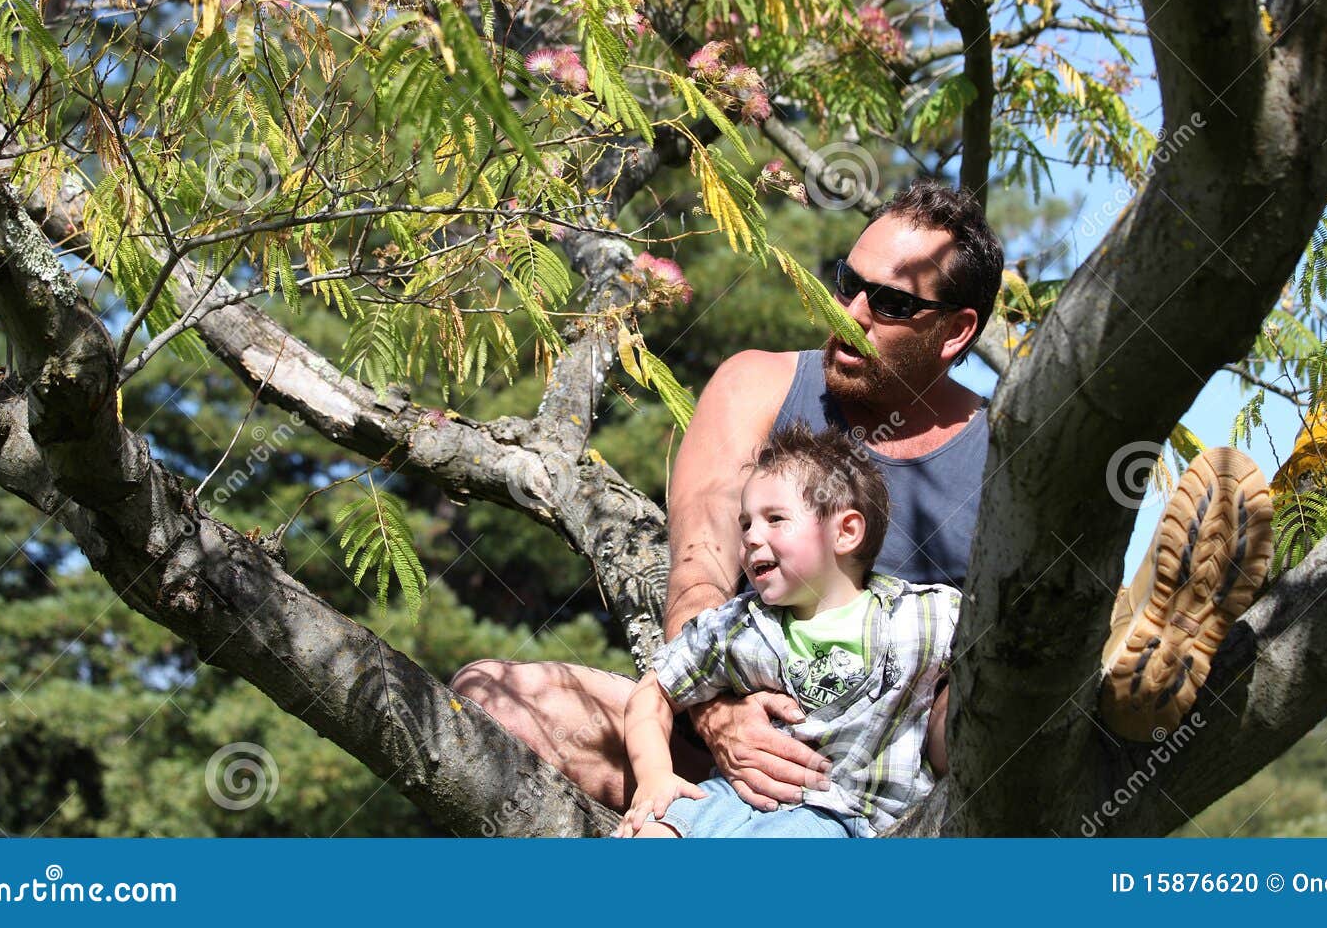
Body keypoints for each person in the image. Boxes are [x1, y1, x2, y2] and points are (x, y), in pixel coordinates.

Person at [451, 181, 1272, 816]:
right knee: (489, 697)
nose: (849, 314)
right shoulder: (756, 386)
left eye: (889, 303)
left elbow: (993, 656)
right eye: (848, 281)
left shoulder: (1009, 455)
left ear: (954, 331)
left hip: (910, 767)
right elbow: (699, 572)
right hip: (740, 733)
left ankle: (1119, 683)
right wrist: (720, 719)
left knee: (982, 685)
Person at [613, 423, 960, 838]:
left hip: (844, 817)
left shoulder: (924, 616)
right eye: (744, 525)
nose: (751, 538)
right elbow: (653, 692)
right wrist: (654, 779)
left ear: (846, 531)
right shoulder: (737, 626)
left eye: (775, 519)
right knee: (650, 835)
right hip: (734, 797)